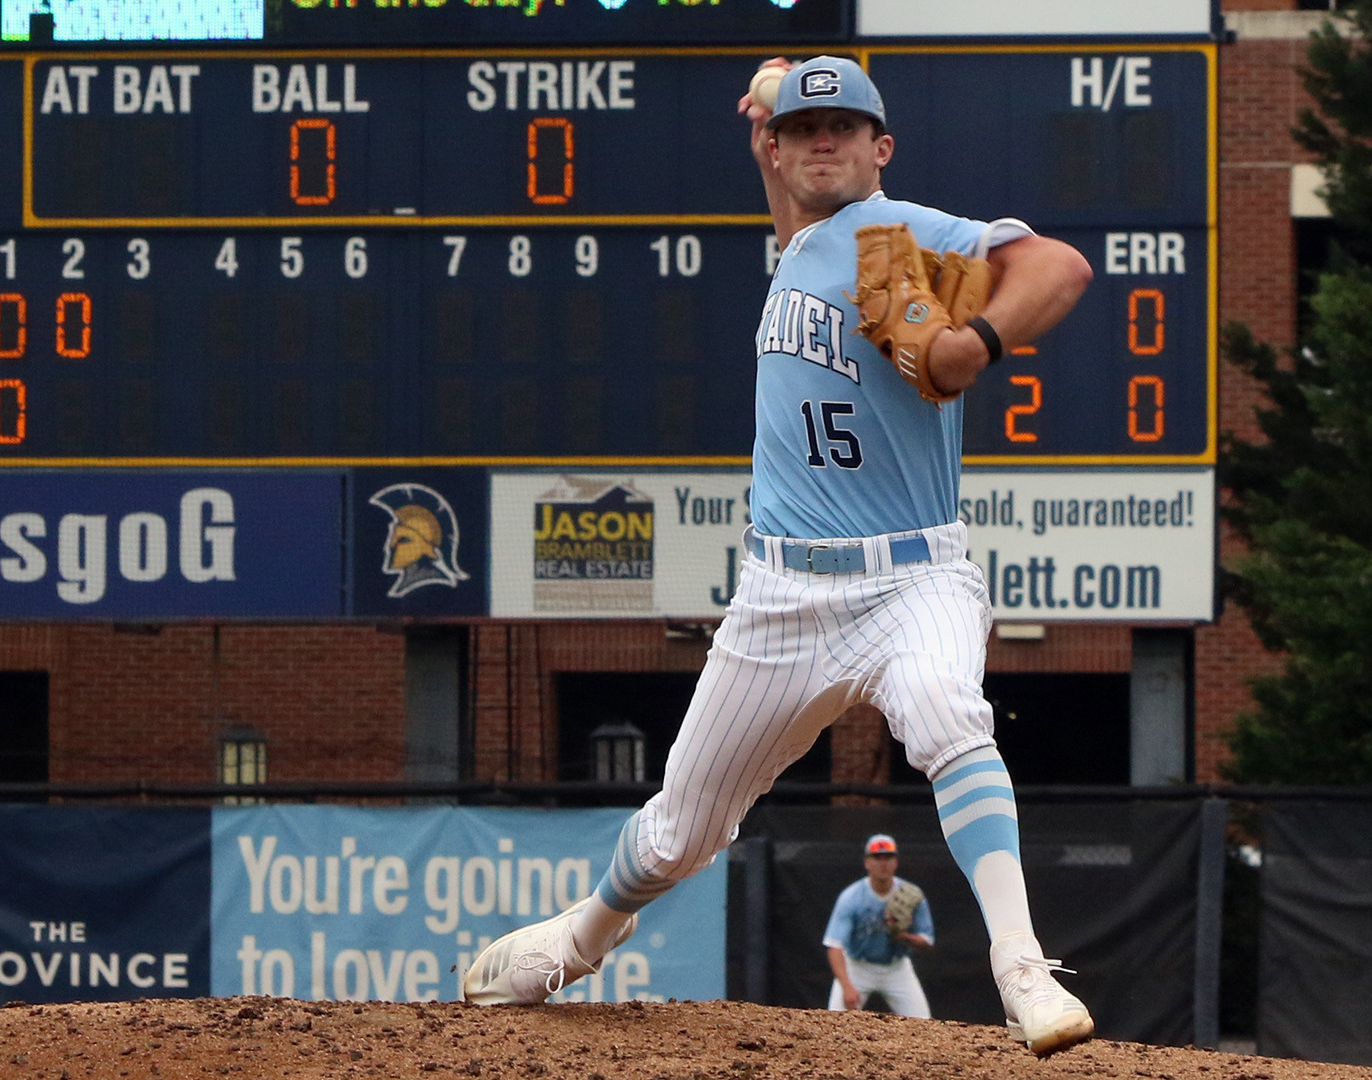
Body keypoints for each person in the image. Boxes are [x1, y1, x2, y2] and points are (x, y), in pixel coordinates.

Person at [463, 53, 1096, 1057]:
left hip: (911, 576)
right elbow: (802, 220)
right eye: (804, 130)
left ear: (881, 148)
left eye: (843, 126)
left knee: (944, 710)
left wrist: (973, 340)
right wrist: (767, 115)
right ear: (779, 150)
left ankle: (1023, 969)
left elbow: (1056, 267)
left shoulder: (897, 243)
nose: (823, 140)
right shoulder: (806, 245)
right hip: (781, 592)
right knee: (680, 829)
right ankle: (579, 942)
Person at [823, 834, 935, 1017]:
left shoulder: (911, 894)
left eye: (888, 857)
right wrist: (846, 985)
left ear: (896, 862)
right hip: (858, 967)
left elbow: (927, 940)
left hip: (897, 968)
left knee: (923, 1022)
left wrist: (904, 936)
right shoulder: (852, 897)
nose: (883, 863)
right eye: (877, 857)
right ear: (867, 862)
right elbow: (834, 945)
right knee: (834, 1021)